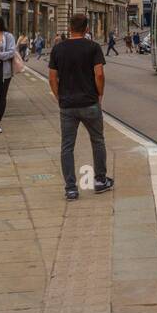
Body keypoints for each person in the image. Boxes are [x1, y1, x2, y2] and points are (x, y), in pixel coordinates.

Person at [48, 14, 114, 202]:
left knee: (67, 146)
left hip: (67, 105)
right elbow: (99, 75)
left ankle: (71, 189)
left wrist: (59, 97)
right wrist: (99, 94)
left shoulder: (58, 48)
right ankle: (100, 181)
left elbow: (52, 77)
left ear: (69, 28)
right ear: (86, 29)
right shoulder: (93, 47)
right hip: (89, 102)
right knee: (97, 141)